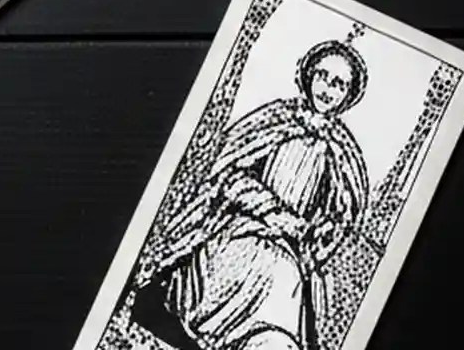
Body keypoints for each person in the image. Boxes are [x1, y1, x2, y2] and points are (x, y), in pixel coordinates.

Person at [131, 40, 371, 350]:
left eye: (339, 84)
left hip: (292, 247)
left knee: (284, 282)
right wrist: (271, 212)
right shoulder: (275, 119)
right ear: (308, 74)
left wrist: (312, 232)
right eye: (322, 76)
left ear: (348, 95)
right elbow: (230, 175)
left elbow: (340, 216)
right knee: (245, 261)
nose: (327, 88)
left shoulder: (342, 152)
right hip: (241, 226)